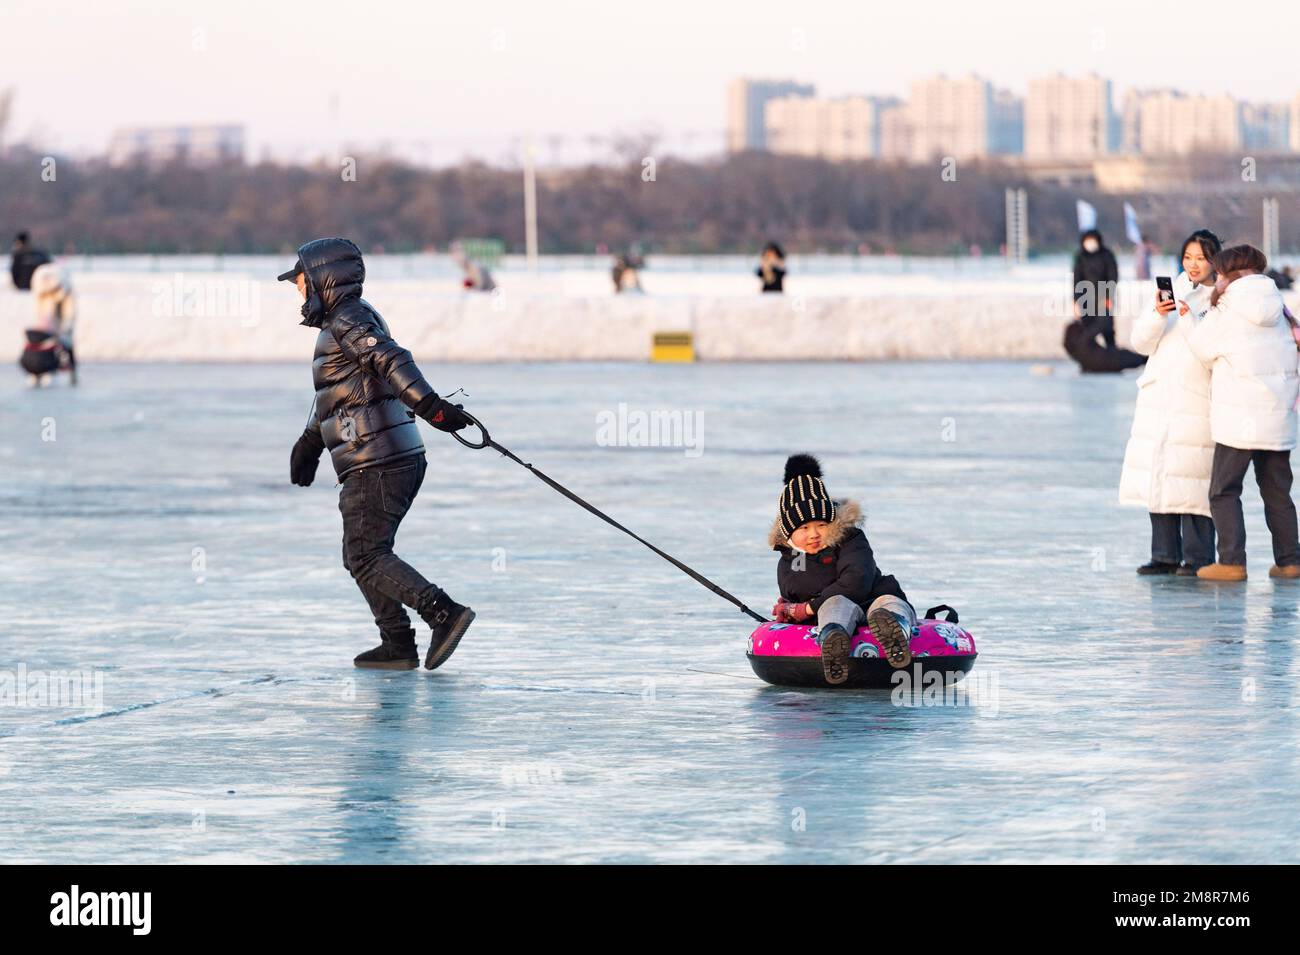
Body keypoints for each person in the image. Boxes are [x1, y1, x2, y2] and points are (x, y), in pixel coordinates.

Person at [281, 237, 480, 668]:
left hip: (379, 460)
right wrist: (309, 447)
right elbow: (338, 399)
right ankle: (396, 643)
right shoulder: (346, 322)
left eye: (300, 281)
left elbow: (392, 361)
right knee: (360, 553)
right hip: (382, 456)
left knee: (367, 553)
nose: (298, 291)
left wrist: (432, 408)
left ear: (321, 279)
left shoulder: (347, 321)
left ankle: (441, 613)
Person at [1182, 244, 1300, 581]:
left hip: (1240, 420)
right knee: (1277, 491)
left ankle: (1232, 562)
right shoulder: (1278, 307)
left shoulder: (1229, 309)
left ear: (1225, 275)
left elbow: (1202, 350)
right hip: (1278, 418)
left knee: (1224, 490)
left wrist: (1190, 318)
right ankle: (1290, 560)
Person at [1118, 230, 1222, 575]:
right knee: (1160, 475)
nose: (1193, 265)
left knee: (1193, 478)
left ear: (1214, 261)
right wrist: (1157, 314)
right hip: (1160, 396)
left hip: (1196, 397)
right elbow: (1140, 343)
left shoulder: (1221, 299)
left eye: (1201, 258)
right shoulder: (1170, 291)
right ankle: (1163, 554)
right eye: (1188, 257)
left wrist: (1192, 315)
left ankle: (1198, 557)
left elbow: (1212, 349)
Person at [768, 454, 915, 684]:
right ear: (789, 533)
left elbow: (856, 581)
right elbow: (795, 596)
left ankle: (895, 632)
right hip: (836, 606)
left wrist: (806, 608)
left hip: (873, 597)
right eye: (804, 527)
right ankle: (833, 642)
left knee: (888, 604)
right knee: (835, 607)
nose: (814, 534)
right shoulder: (789, 561)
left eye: (821, 525)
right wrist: (789, 610)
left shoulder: (851, 539)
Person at [23, 263, 78, 385]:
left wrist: (66, 328)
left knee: (65, 345)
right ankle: (38, 371)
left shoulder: (65, 289)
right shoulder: (40, 284)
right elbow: (38, 308)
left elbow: (70, 312)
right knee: (40, 345)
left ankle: (68, 371)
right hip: (45, 324)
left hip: (60, 322)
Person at [1072, 229, 1120, 350]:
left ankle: (1112, 352)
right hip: (1086, 297)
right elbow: (1077, 279)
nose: (1090, 243)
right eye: (1088, 241)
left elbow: (1113, 277)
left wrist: (1109, 296)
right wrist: (1076, 300)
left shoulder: (1107, 255)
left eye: (1092, 240)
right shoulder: (1081, 257)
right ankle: (1088, 355)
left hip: (1103, 296)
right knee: (1087, 328)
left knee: (1107, 326)